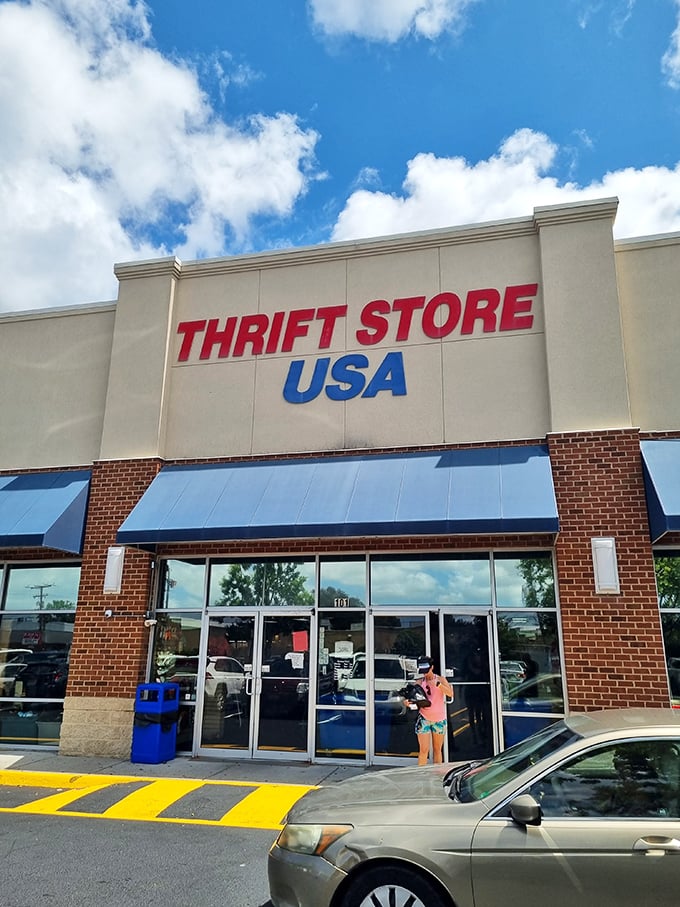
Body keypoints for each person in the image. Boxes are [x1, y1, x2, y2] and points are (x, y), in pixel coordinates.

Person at [413, 655, 454, 765]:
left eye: (426, 670)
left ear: (432, 667)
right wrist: (408, 702)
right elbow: (412, 697)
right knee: (423, 750)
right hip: (424, 718)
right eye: (423, 671)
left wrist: (438, 685)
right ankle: (422, 775)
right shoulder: (419, 682)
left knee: (437, 750)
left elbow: (450, 693)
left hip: (439, 719)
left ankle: (437, 775)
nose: (425, 673)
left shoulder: (440, 679)